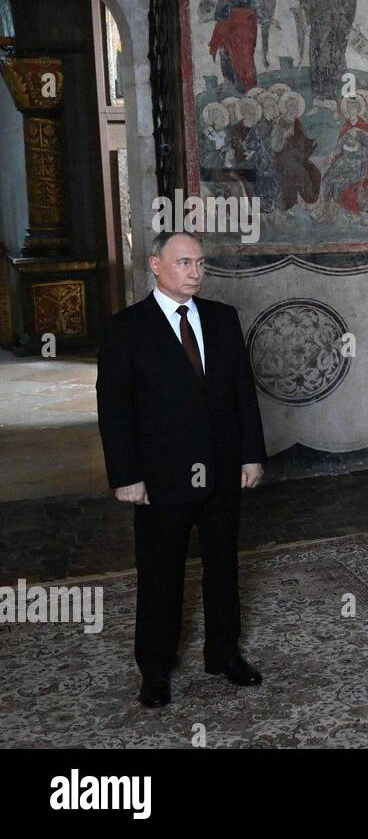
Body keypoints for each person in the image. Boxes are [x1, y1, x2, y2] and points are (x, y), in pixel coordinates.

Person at [96, 232, 267, 708]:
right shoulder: (125, 329)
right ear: (155, 264)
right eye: (184, 262)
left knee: (223, 567)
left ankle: (224, 653)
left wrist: (251, 455)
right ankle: (155, 669)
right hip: (161, 479)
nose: (195, 272)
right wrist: (126, 477)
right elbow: (114, 410)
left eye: (200, 263)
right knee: (160, 574)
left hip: (222, 473)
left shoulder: (223, 318)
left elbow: (242, 394)